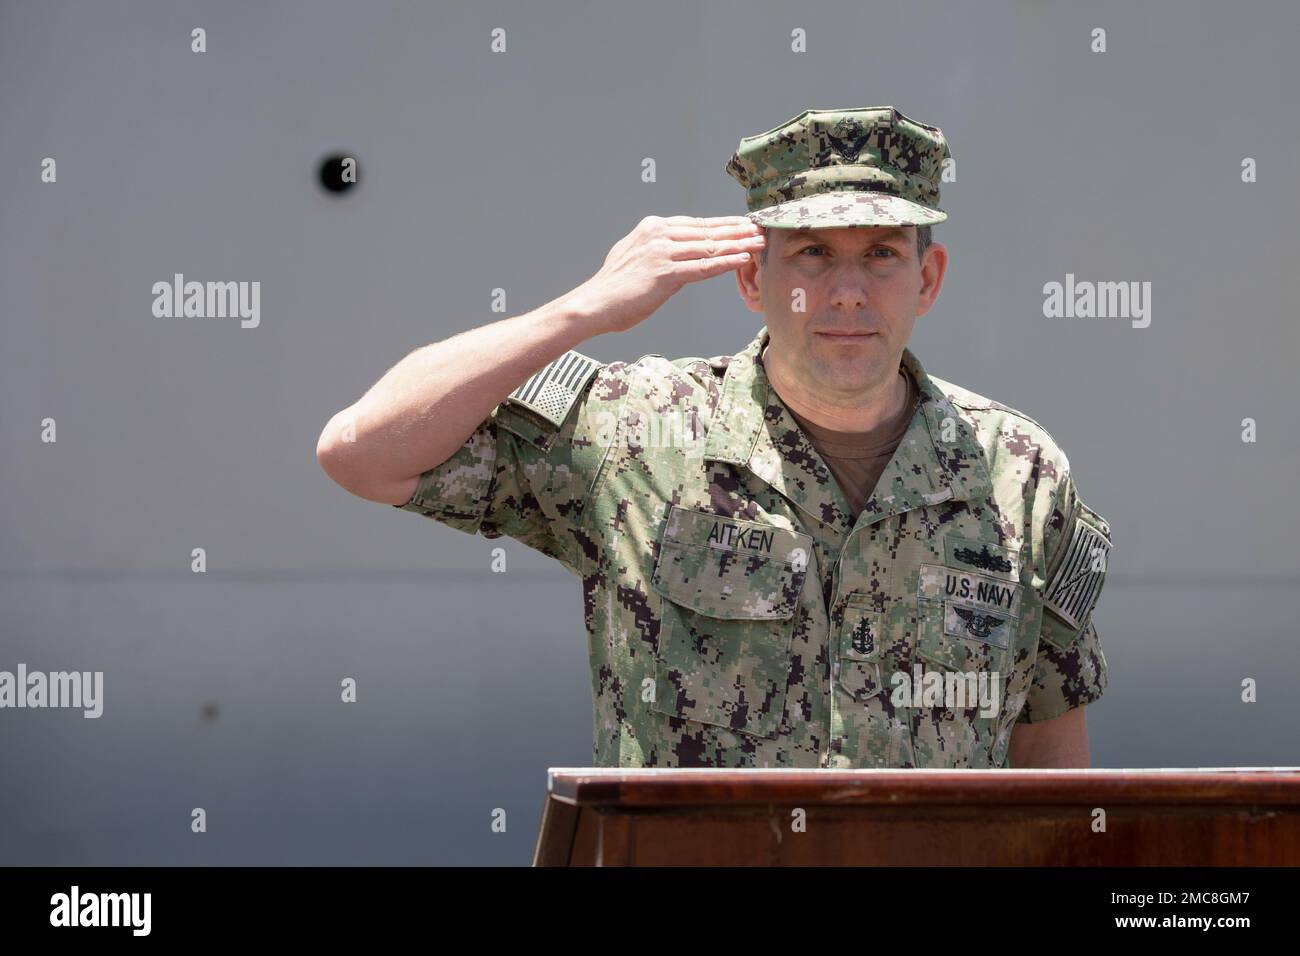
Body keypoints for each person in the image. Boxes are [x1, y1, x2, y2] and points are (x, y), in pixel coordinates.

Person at [316, 106, 1111, 769]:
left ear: (927, 279)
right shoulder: (635, 433)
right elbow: (362, 454)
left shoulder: (1017, 475)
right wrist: (581, 312)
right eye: (810, 253)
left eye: (880, 255)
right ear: (749, 278)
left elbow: (1050, 758)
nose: (846, 292)